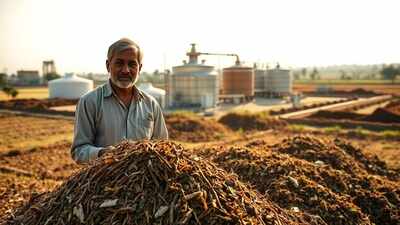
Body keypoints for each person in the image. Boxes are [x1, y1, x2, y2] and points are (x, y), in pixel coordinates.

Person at [71, 38, 168, 164]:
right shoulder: (90, 102)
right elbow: (79, 151)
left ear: (140, 68)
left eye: (132, 64)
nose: (125, 70)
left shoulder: (151, 104)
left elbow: (163, 148)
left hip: (145, 182)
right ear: (108, 66)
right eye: (119, 63)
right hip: (105, 181)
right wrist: (101, 154)